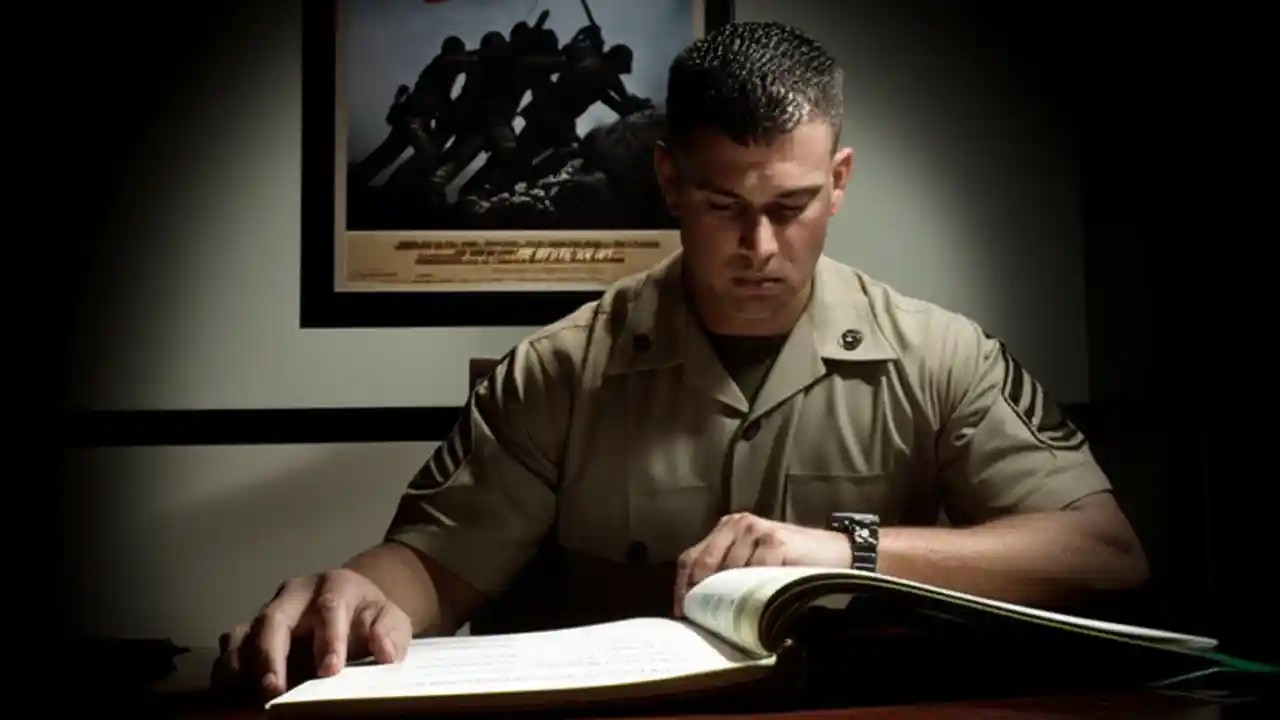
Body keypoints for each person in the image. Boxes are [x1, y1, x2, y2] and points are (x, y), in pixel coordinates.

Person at [213, 20, 1149, 700]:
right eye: (719, 205)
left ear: (840, 181)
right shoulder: (557, 372)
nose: (759, 246)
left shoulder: (942, 355)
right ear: (667, 180)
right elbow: (435, 568)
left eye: (790, 206)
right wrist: (357, 594)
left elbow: (1104, 556)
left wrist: (848, 552)